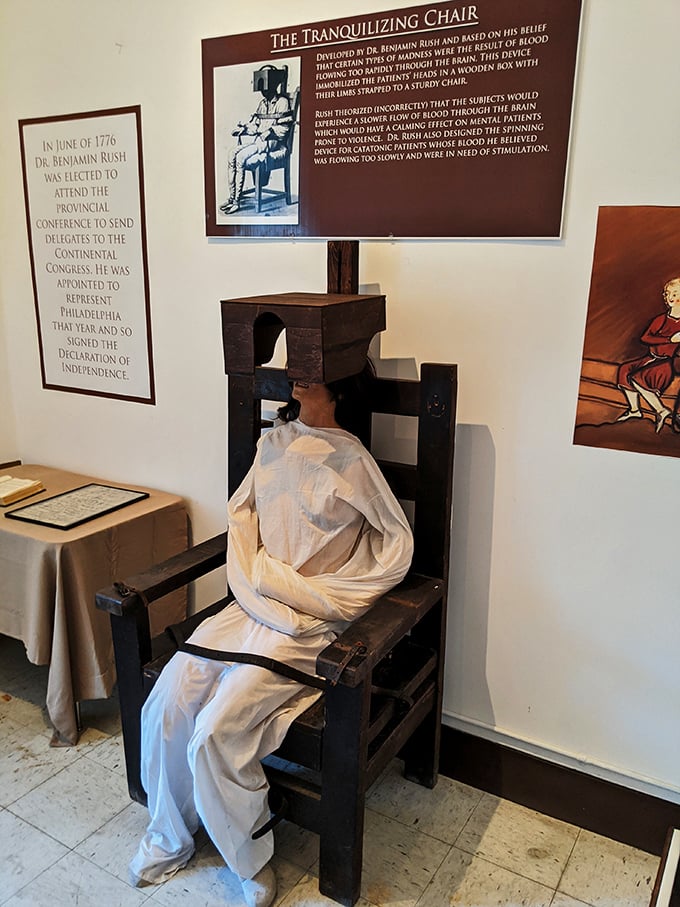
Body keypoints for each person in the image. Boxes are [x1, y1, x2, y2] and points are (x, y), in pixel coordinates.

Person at [128, 368, 414, 907]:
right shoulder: (272, 445)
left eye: (313, 371)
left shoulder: (352, 461)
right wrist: (254, 576)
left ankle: (250, 857)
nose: (298, 378)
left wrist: (329, 597)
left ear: (339, 385)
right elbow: (241, 518)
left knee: (216, 729)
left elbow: (395, 545)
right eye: (296, 368)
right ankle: (170, 834)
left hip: (306, 624)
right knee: (169, 699)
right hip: (250, 606)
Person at [221, 65, 294, 216]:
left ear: (273, 85)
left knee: (241, 157)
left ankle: (237, 202)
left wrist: (270, 131)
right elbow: (256, 125)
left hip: (273, 144)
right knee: (231, 153)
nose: (263, 92)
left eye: (265, 88)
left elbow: (284, 128)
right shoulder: (263, 103)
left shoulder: (283, 102)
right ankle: (232, 197)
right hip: (259, 142)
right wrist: (244, 130)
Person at [616, 276, 680, 433]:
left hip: (667, 362)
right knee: (624, 370)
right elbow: (645, 338)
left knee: (637, 378)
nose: (670, 297)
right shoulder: (661, 319)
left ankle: (661, 410)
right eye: (668, 294)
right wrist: (669, 339)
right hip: (650, 358)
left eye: (675, 294)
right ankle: (634, 410)